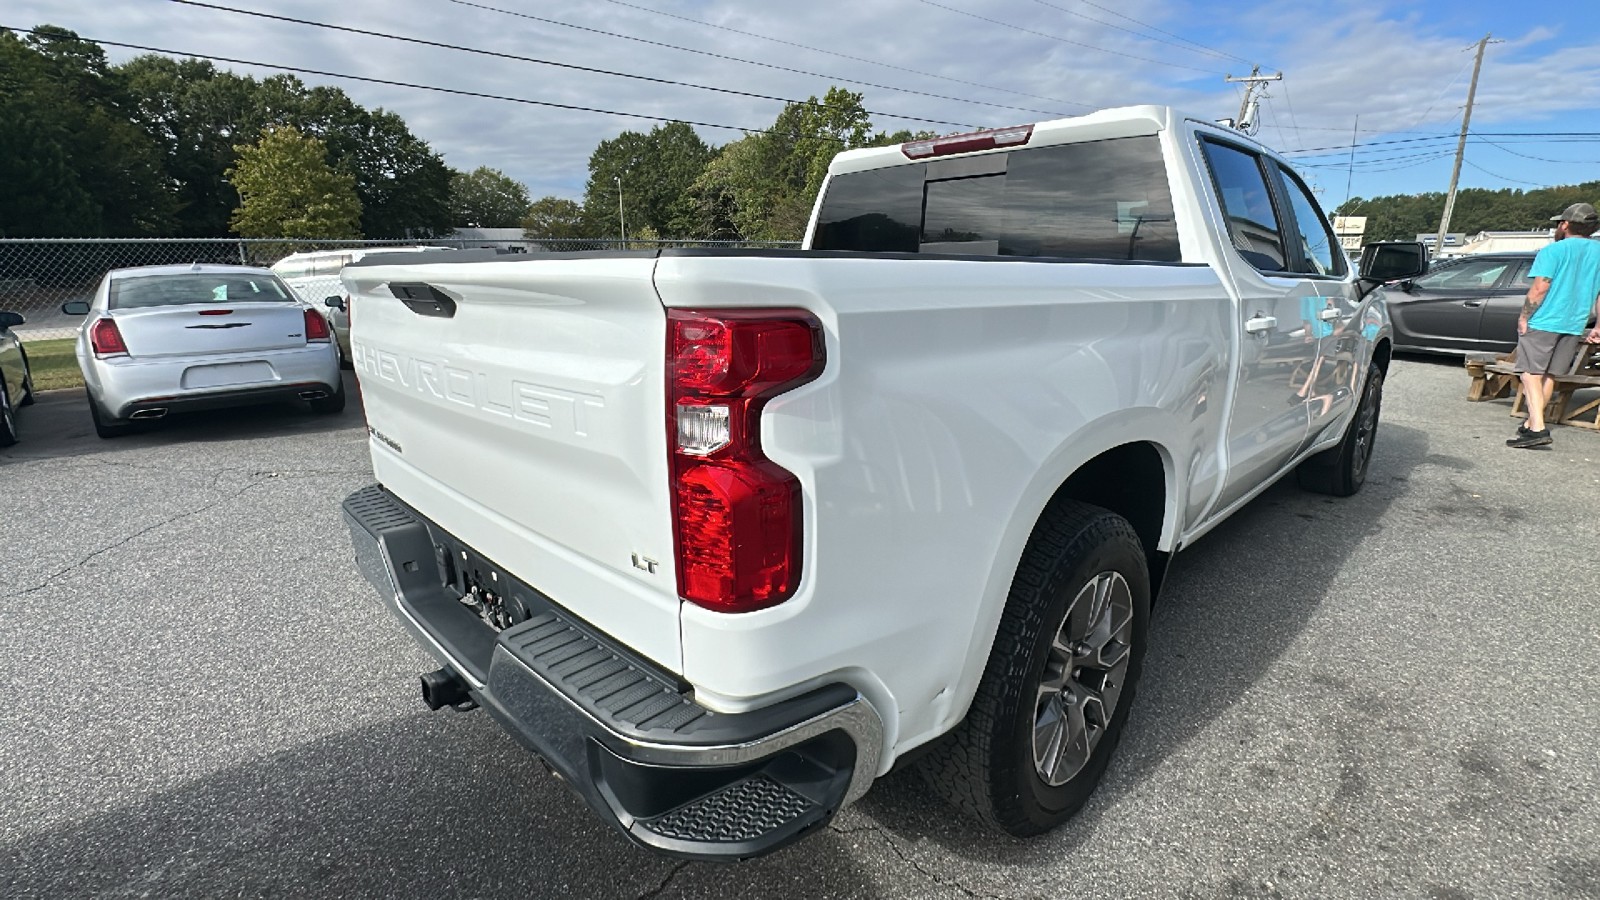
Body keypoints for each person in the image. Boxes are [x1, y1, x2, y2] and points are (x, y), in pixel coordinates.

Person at [1506, 202, 1600, 449]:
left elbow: (1541, 287)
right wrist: (1598, 325)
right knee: (1548, 375)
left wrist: (1524, 317)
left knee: (1530, 373)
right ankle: (1530, 425)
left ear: (1566, 224)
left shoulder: (1554, 251)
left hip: (1545, 319)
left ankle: (1537, 428)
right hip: (1575, 322)